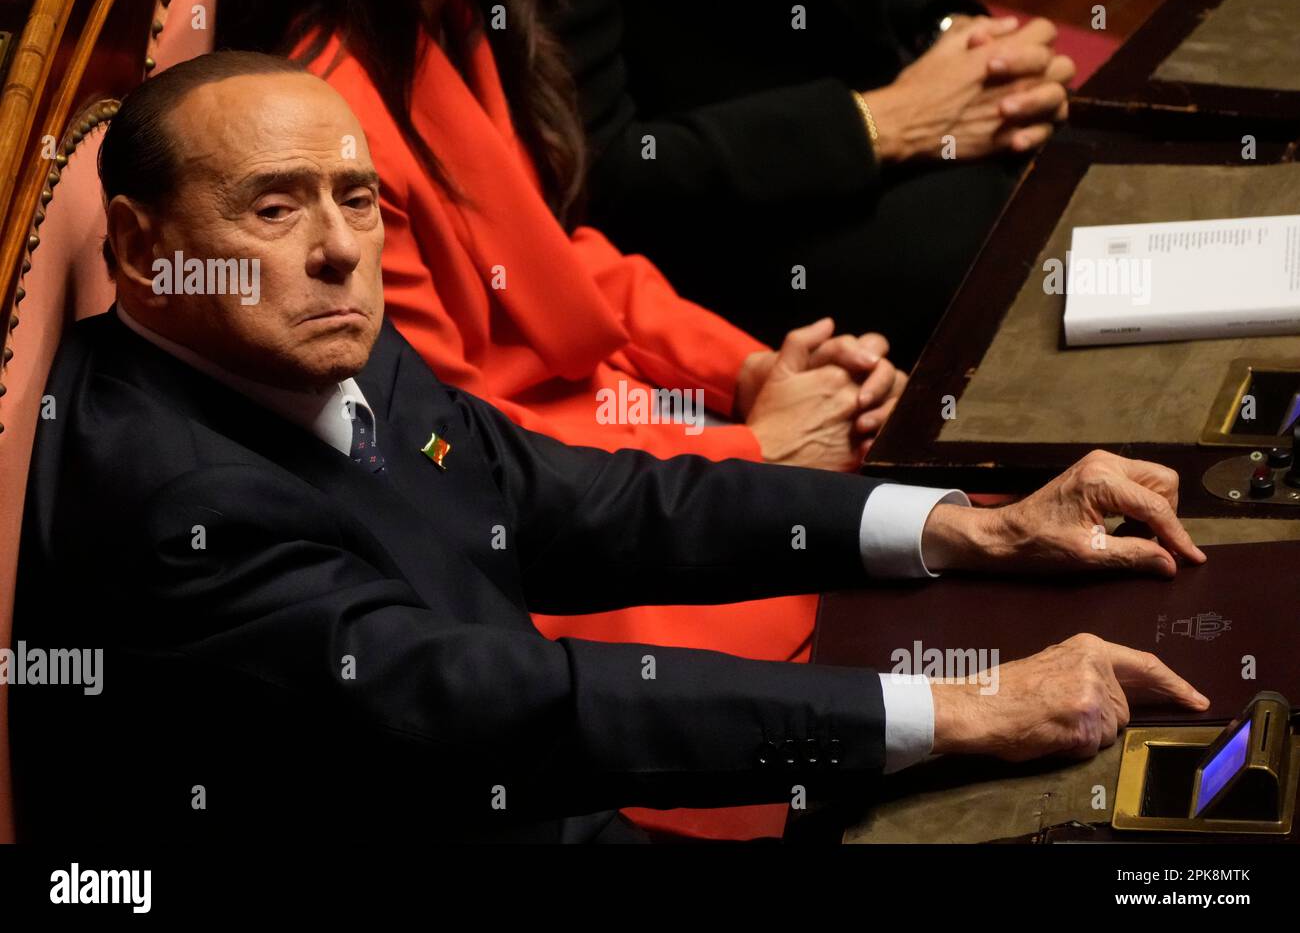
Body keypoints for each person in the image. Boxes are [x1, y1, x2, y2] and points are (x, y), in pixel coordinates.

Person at [13, 54, 1209, 842]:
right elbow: (523, 709)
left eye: (357, 198)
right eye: (275, 208)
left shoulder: (306, 336)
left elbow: (575, 502)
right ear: (142, 247)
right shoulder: (173, 509)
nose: (339, 248)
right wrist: (962, 706)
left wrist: (965, 527)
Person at [548, 0, 1076, 369]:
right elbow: (596, 170)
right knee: (1009, 227)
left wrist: (944, 29)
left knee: (1066, 147)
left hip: (852, 112)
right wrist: (884, 122)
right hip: (704, 229)